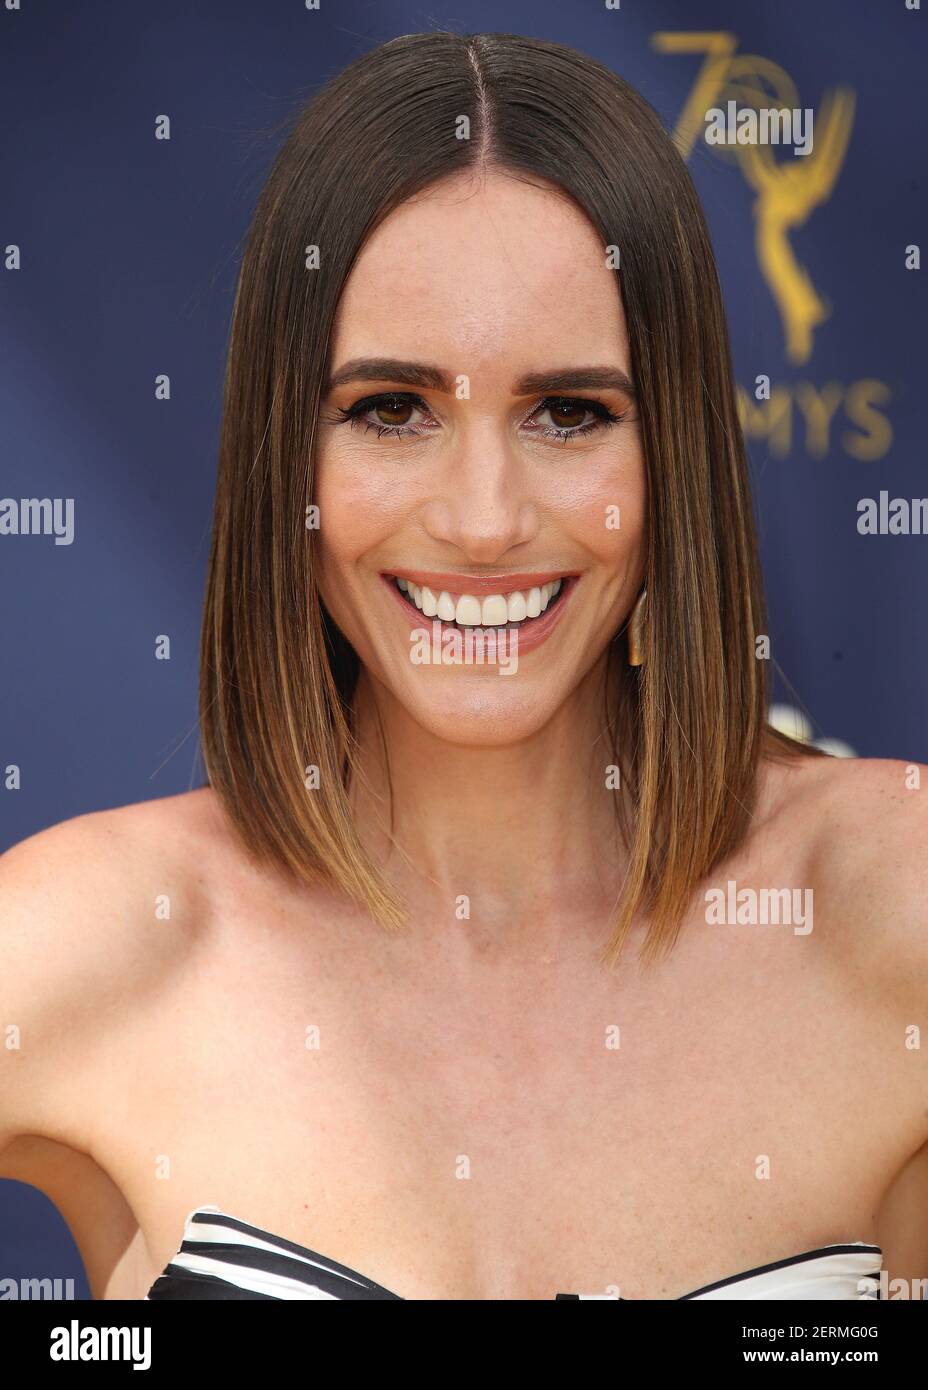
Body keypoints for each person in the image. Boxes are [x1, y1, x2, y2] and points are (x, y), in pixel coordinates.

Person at [2, 30, 926, 1302]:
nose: (483, 519)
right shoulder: (93, 938)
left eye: (570, 413)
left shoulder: (893, 904)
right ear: (288, 457)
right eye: (391, 410)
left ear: (676, 464)